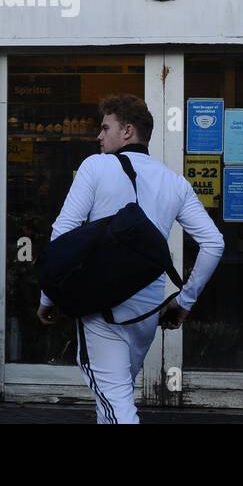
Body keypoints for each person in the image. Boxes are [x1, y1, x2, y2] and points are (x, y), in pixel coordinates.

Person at [37, 93, 224, 424]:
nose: (99, 136)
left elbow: (63, 234)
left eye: (105, 127)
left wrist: (48, 296)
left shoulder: (95, 167)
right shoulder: (175, 182)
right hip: (146, 313)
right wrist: (184, 301)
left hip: (101, 310)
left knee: (117, 409)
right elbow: (213, 243)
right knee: (114, 399)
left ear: (127, 131)